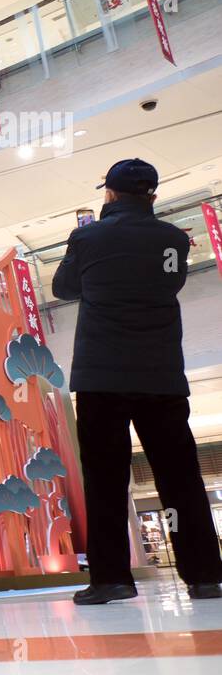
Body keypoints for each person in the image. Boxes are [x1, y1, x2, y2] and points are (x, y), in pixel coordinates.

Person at [52, 158, 222, 604]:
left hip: (100, 375)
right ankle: (205, 576)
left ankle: (111, 580)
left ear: (108, 193)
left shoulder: (86, 237)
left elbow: (64, 288)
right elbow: (171, 283)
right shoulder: (172, 239)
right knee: (180, 477)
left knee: (105, 478)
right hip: (160, 375)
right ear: (153, 195)